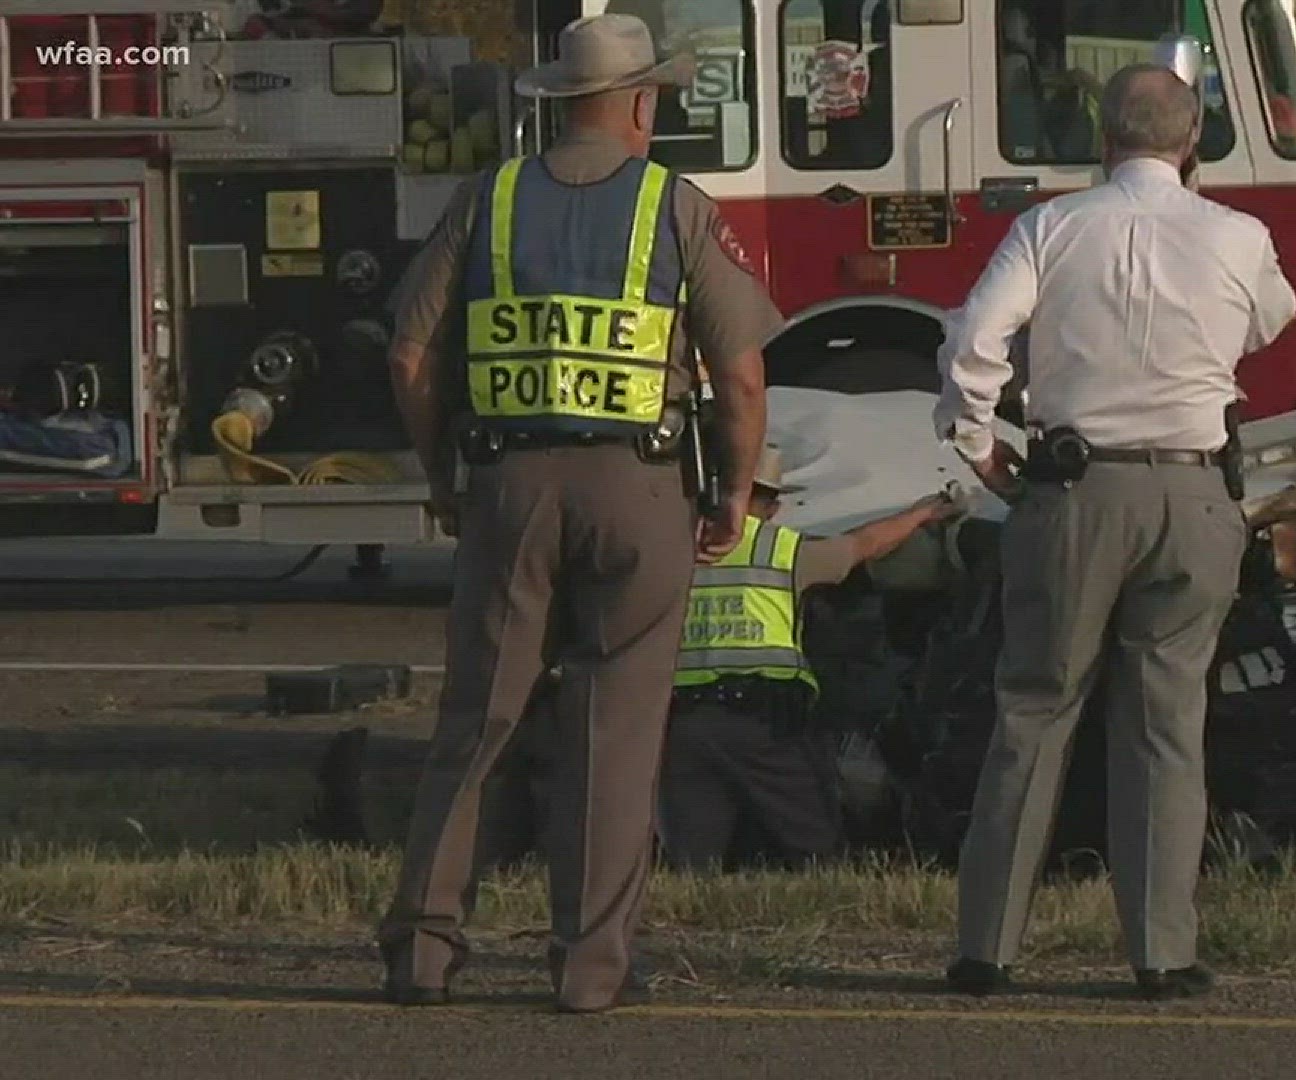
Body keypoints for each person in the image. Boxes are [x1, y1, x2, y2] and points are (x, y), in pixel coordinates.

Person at [376, 14, 782, 1014]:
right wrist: (733, 493)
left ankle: (422, 954)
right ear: (644, 103)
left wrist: (443, 476)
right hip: (638, 489)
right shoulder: (674, 206)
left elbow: (410, 357)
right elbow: (739, 374)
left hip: (509, 487)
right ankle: (589, 971)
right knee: (614, 729)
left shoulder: (490, 198)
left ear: (559, 102)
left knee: (478, 720)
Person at [931, 63, 1296, 1000]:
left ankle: (987, 949)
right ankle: (1161, 954)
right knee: (1168, 725)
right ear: (1194, 145)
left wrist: (978, 444)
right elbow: (1273, 319)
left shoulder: (1050, 228)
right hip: (1191, 496)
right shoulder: (1238, 236)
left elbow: (975, 337)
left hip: (1072, 491)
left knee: (1034, 711)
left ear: (1102, 140)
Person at [658, 448, 965, 869]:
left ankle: (684, 920)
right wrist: (921, 515)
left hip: (684, 724)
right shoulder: (781, 549)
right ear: (770, 503)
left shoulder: (670, 551)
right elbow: (863, 545)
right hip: (764, 724)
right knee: (815, 844)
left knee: (691, 860)